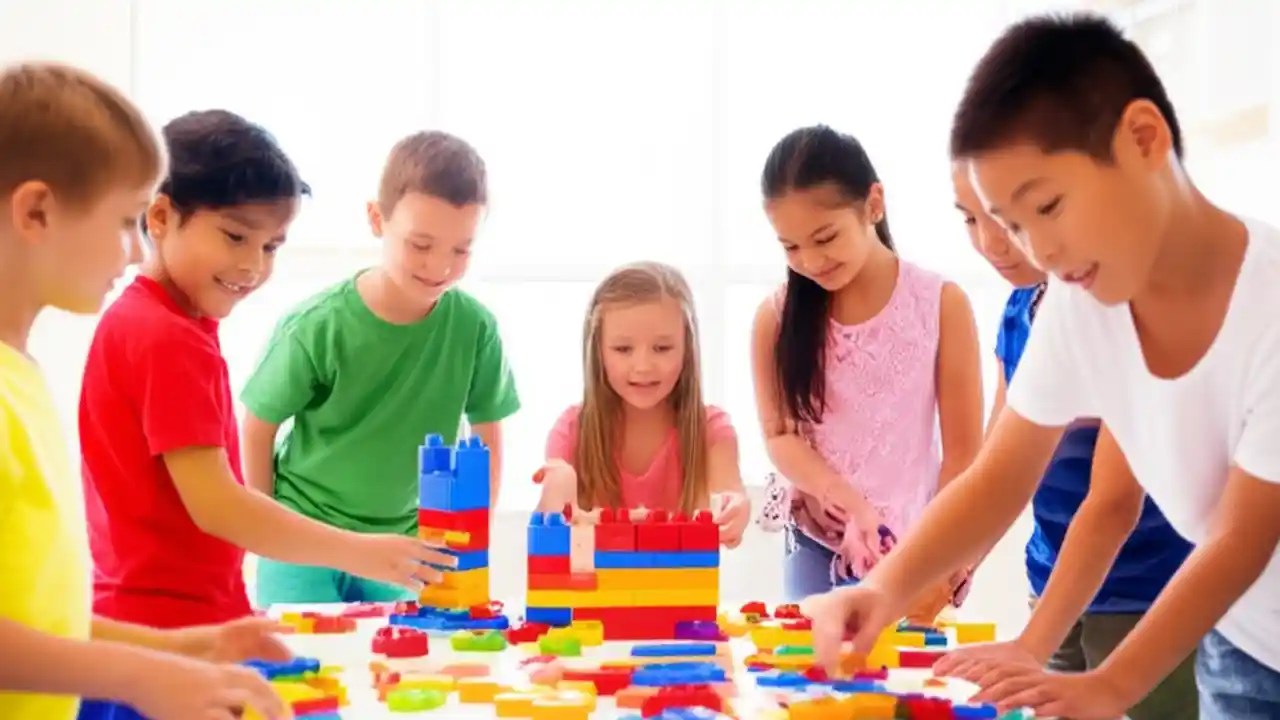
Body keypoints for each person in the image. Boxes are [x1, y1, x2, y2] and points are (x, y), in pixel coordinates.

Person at [802, 14, 1280, 720]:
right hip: (1244, 638)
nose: (1037, 248)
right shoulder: (1083, 302)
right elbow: (1003, 471)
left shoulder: (1268, 303)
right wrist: (886, 590)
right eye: (1010, 222)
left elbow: (1246, 535)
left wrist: (1112, 685)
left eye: (1047, 206)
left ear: (1144, 140)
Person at [79, 110, 452, 629]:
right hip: (169, 626)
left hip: (165, 615)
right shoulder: (163, 335)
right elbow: (219, 506)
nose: (254, 265)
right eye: (235, 237)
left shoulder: (161, 323)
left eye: (271, 246)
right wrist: (360, 552)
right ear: (161, 217)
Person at [0, 60, 287, 720]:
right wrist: (143, 674)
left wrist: (184, 647)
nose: (134, 251)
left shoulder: (23, 375)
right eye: (127, 220)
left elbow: (46, 616)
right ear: (37, 211)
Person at [934, 164, 1197, 718]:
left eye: (1003, 220)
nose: (988, 244)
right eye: (969, 220)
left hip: (1148, 596)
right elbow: (999, 469)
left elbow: (1112, 504)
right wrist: (956, 564)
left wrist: (1031, 644)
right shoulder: (1018, 311)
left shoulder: (1124, 310)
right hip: (1051, 587)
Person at [240, 130, 520, 604]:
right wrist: (269, 534)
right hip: (305, 539)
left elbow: (487, 433)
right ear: (377, 219)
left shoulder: (474, 329)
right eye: (421, 244)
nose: (440, 267)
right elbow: (257, 426)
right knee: (300, 665)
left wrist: (473, 537)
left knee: (400, 670)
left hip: (405, 548)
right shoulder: (318, 326)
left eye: (461, 249)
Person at [750, 125, 985, 610]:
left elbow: (964, 454)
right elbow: (779, 436)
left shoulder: (941, 304)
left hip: (915, 549)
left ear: (873, 204)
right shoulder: (776, 318)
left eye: (825, 237)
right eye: (790, 247)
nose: (810, 261)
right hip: (817, 543)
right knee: (806, 678)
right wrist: (839, 496)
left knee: (900, 681)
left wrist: (943, 560)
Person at [536, 261, 750, 548]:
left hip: (683, 592)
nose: (643, 366)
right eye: (623, 349)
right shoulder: (573, 430)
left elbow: (729, 497)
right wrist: (555, 494)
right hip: (595, 592)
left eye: (662, 348)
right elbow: (546, 543)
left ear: (687, 348)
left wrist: (734, 510)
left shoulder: (711, 430)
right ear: (598, 351)